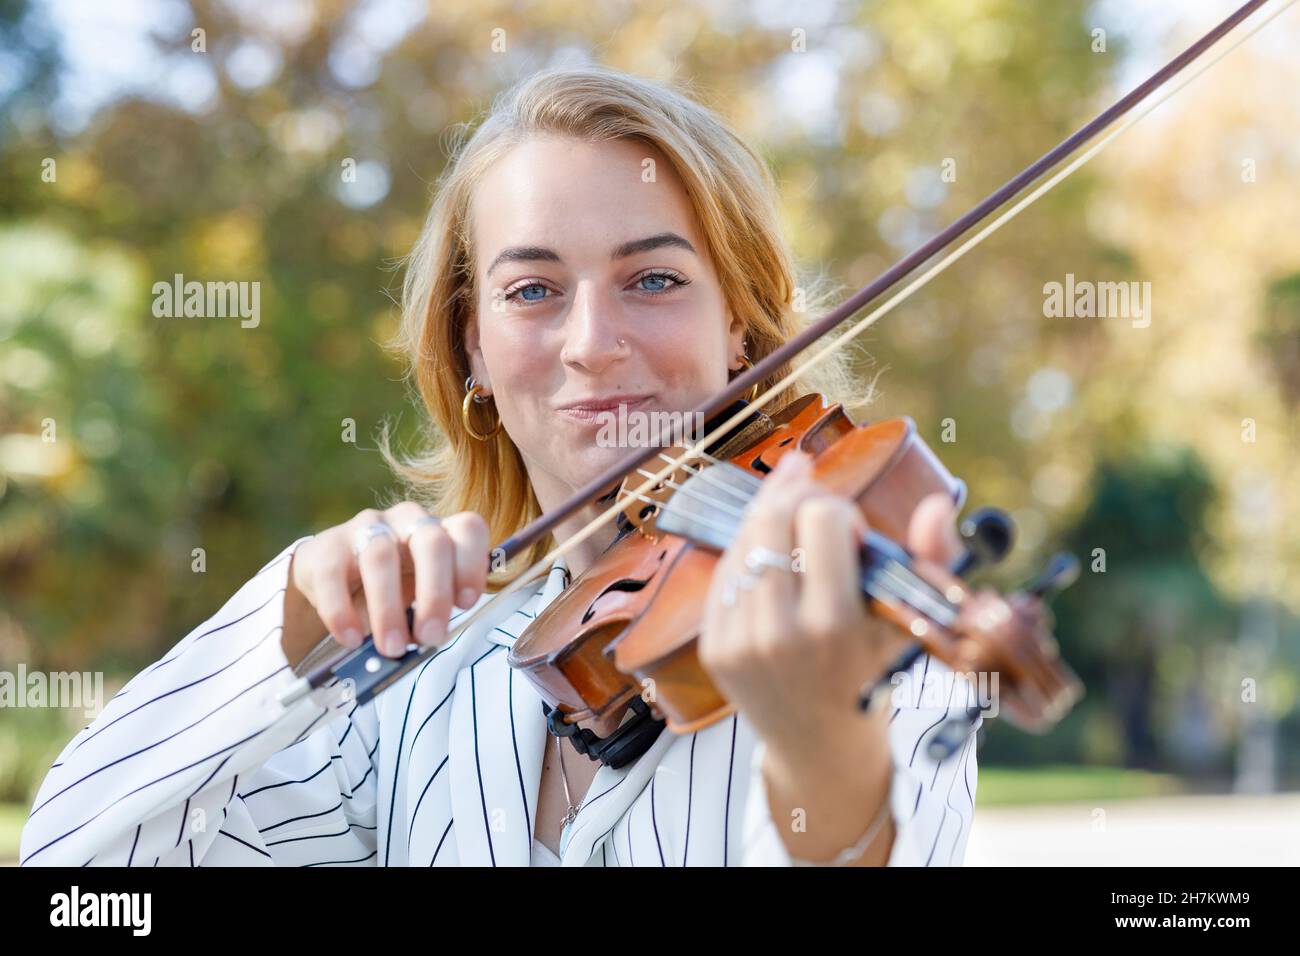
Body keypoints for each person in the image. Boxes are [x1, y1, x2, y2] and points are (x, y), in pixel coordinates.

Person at [21, 65, 1002, 867]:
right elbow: (83, 864)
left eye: (652, 279)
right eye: (533, 289)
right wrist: (284, 617)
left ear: (737, 326)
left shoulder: (860, 625)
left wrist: (821, 752)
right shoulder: (414, 686)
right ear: (474, 346)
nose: (592, 342)